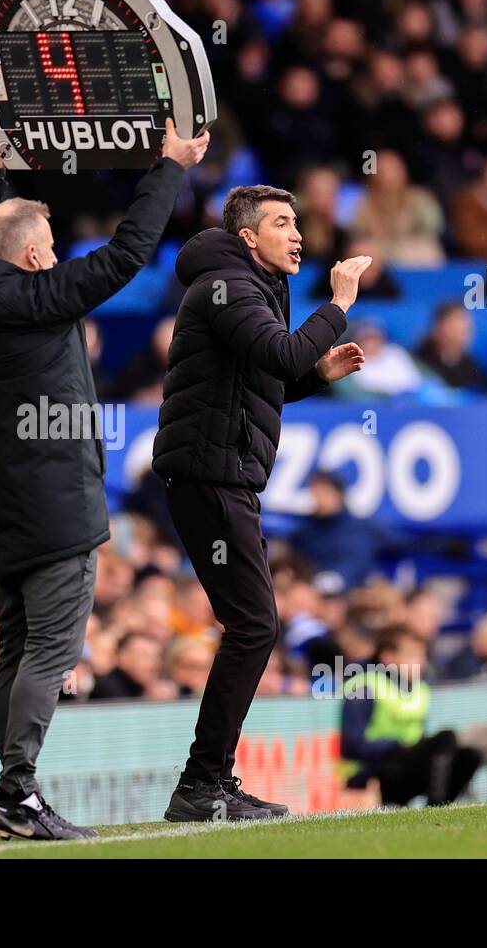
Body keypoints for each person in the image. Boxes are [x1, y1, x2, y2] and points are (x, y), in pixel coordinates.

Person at [0, 118, 209, 841]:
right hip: (56, 507)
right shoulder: (39, 298)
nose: (56, 260)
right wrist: (170, 168)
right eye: (47, 250)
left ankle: (12, 796)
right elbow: (128, 255)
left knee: (19, 650)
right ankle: (17, 794)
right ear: (27, 256)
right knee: (48, 652)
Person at [152, 183, 367, 821]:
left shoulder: (248, 284)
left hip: (223, 475)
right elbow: (280, 351)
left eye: (298, 222)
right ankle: (201, 783)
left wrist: (315, 377)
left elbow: (260, 377)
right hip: (209, 476)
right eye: (282, 223)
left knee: (252, 625)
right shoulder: (228, 285)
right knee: (254, 625)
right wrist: (339, 304)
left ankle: (209, 781)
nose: (297, 234)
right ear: (249, 238)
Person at [340, 626, 482, 806]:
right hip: (373, 769)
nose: (420, 663)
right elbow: (352, 745)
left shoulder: (420, 689)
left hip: (406, 764)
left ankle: (440, 807)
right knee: (446, 737)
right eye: (412, 656)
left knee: (470, 756)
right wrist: (397, 744)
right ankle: (435, 806)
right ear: (388, 658)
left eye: (422, 656)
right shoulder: (364, 687)